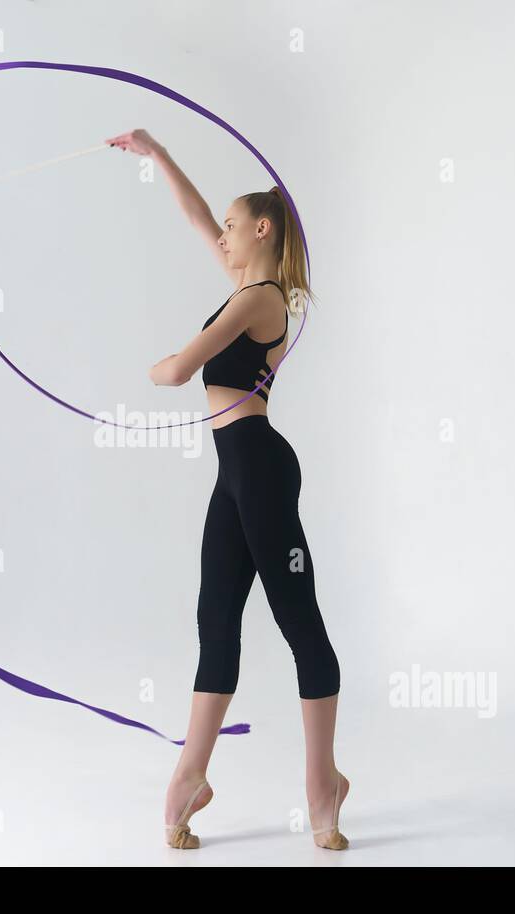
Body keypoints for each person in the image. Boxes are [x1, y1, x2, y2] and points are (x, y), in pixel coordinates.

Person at [107, 129, 350, 851]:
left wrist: (153, 368)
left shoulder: (261, 298)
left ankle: (322, 784)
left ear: (263, 230)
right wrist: (158, 155)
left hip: (263, 468)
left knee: (299, 621)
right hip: (233, 473)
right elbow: (194, 215)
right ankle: (191, 775)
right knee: (216, 622)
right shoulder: (244, 284)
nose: (223, 235)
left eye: (234, 227)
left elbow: (180, 370)